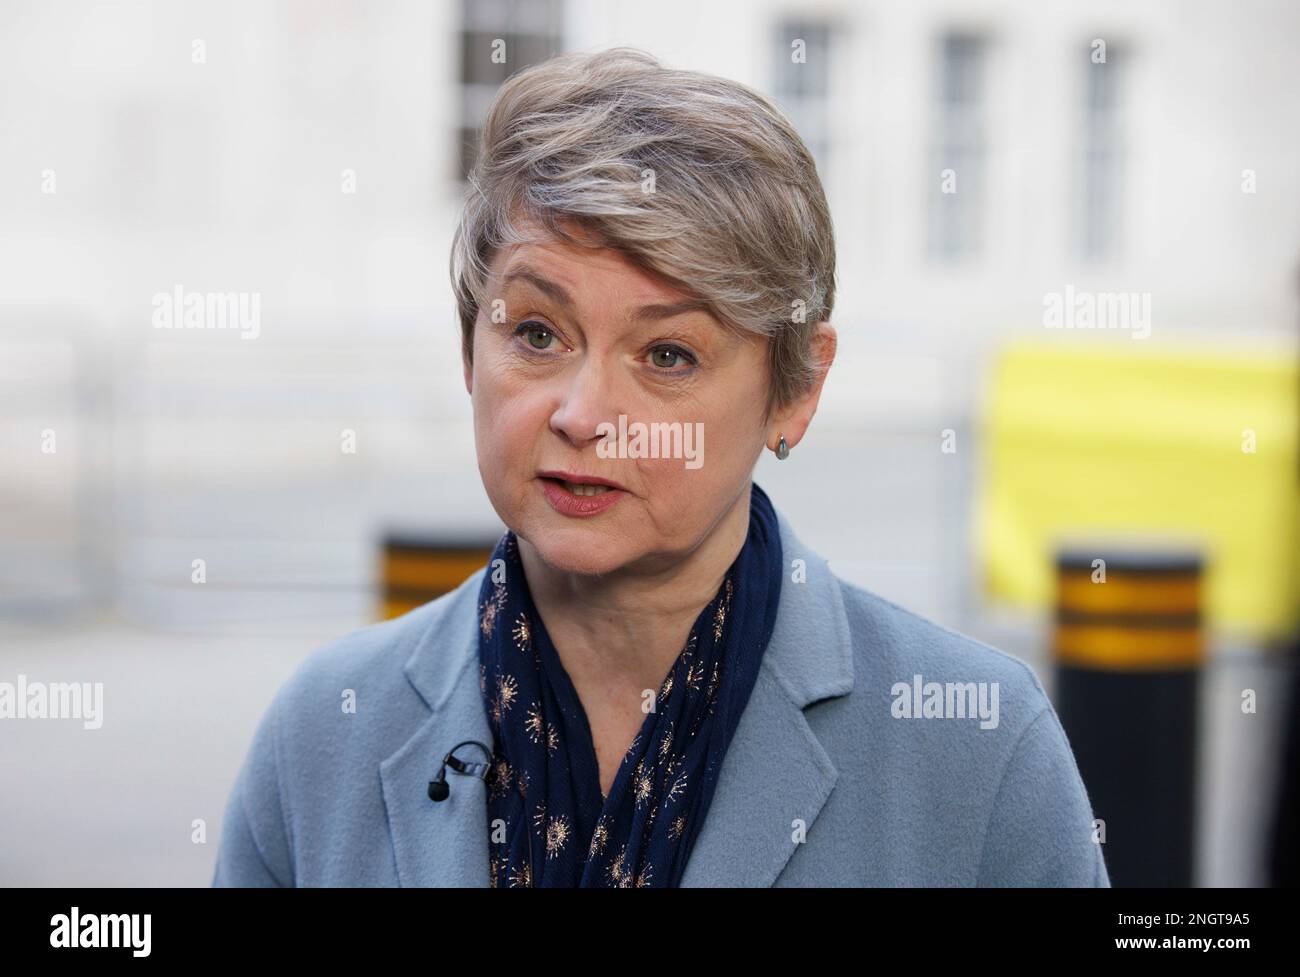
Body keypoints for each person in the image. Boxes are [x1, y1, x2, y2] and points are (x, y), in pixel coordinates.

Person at [213, 47, 1109, 887]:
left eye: (668, 355)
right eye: (536, 333)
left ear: (796, 388)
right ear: (467, 349)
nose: (582, 414)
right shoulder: (320, 733)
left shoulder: (978, 745)